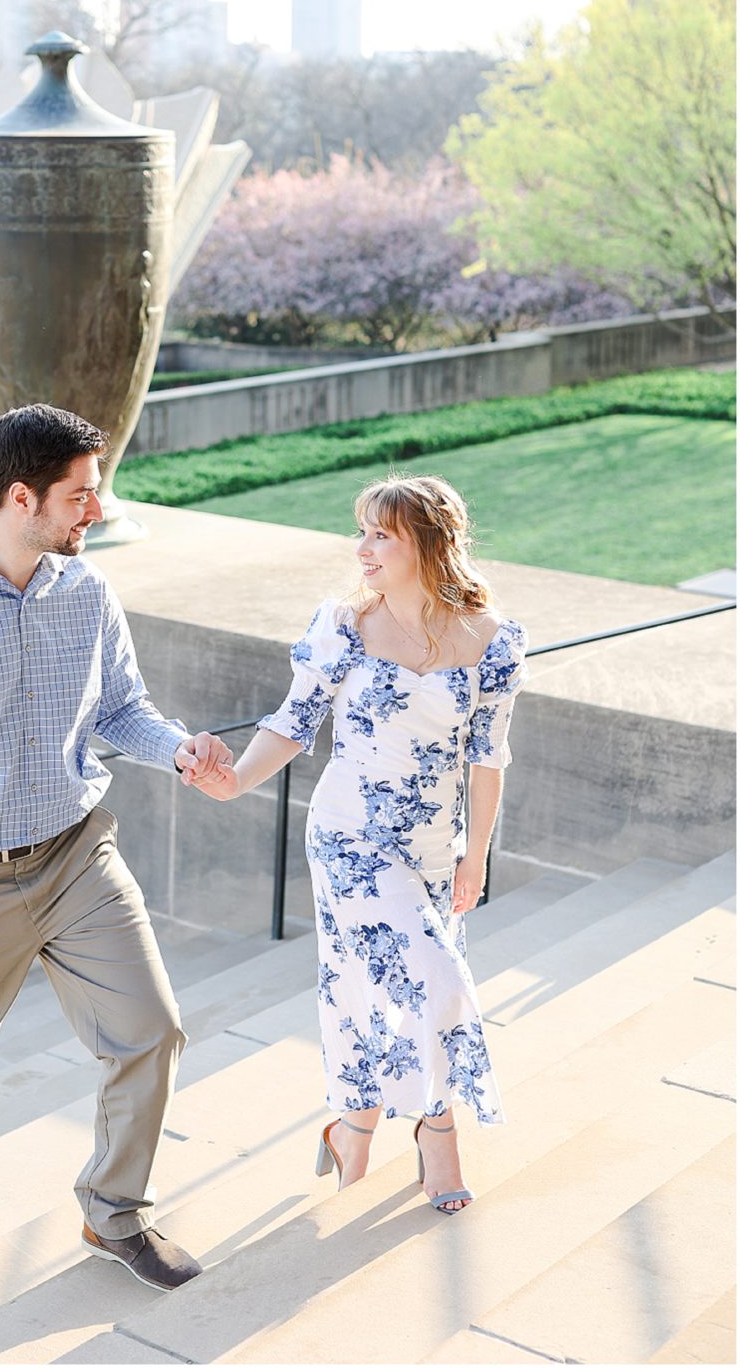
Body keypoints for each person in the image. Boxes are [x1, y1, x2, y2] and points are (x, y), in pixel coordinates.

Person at [0, 404, 231, 1308]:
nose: (94, 508)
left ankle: (114, 1212)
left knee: (152, 1029)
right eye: (80, 494)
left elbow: (118, 709)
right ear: (21, 497)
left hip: (74, 856)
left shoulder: (85, 589)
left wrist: (176, 747)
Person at [192, 474, 528, 1214]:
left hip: (436, 847)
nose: (362, 549)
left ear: (428, 545)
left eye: (381, 534)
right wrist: (237, 780)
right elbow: (292, 721)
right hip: (349, 838)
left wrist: (475, 853)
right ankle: (437, 1132)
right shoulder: (342, 624)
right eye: (361, 532)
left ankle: (353, 1126)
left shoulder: (492, 641)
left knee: (366, 990)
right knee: (436, 977)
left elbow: (487, 757)